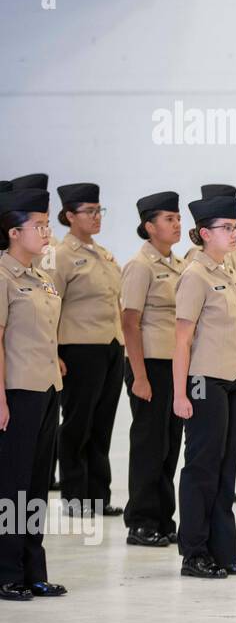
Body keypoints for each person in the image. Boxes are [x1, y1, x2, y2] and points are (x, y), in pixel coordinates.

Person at [172, 194, 236, 579]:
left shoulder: (230, 272)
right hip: (204, 381)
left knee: (227, 468)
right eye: (227, 228)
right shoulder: (195, 275)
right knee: (201, 468)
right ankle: (194, 551)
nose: (234, 233)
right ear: (205, 233)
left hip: (235, 381)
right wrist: (179, 393)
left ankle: (224, 551)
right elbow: (182, 339)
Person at [0, 188, 68, 600]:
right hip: (17, 392)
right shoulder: (3, 278)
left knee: (38, 484)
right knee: (12, 486)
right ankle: (7, 570)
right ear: (13, 232)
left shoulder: (41, 277)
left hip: (46, 390)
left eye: (47, 224)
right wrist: (1, 399)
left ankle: (32, 568)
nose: (46, 232)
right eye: (38, 225)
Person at [52, 182, 124, 517]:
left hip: (110, 346)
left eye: (99, 210)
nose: (97, 217)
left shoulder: (104, 254)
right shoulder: (61, 256)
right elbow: (49, 306)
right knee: (78, 422)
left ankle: (98, 495)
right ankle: (74, 494)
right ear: (69, 216)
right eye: (89, 212)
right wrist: (53, 353)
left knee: (102, 423)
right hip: (78, 348)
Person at [120, 192, 185, 547]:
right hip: (150, 366)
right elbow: (130, 322)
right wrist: (139, 375)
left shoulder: (176, 265)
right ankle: (141, 520)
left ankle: (163, 516)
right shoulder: (140, 266)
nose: (177, 225)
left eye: (178, 218)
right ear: (149, 226)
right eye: (169, 219)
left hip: (173, 365)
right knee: (148, 444)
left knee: (169, 444)